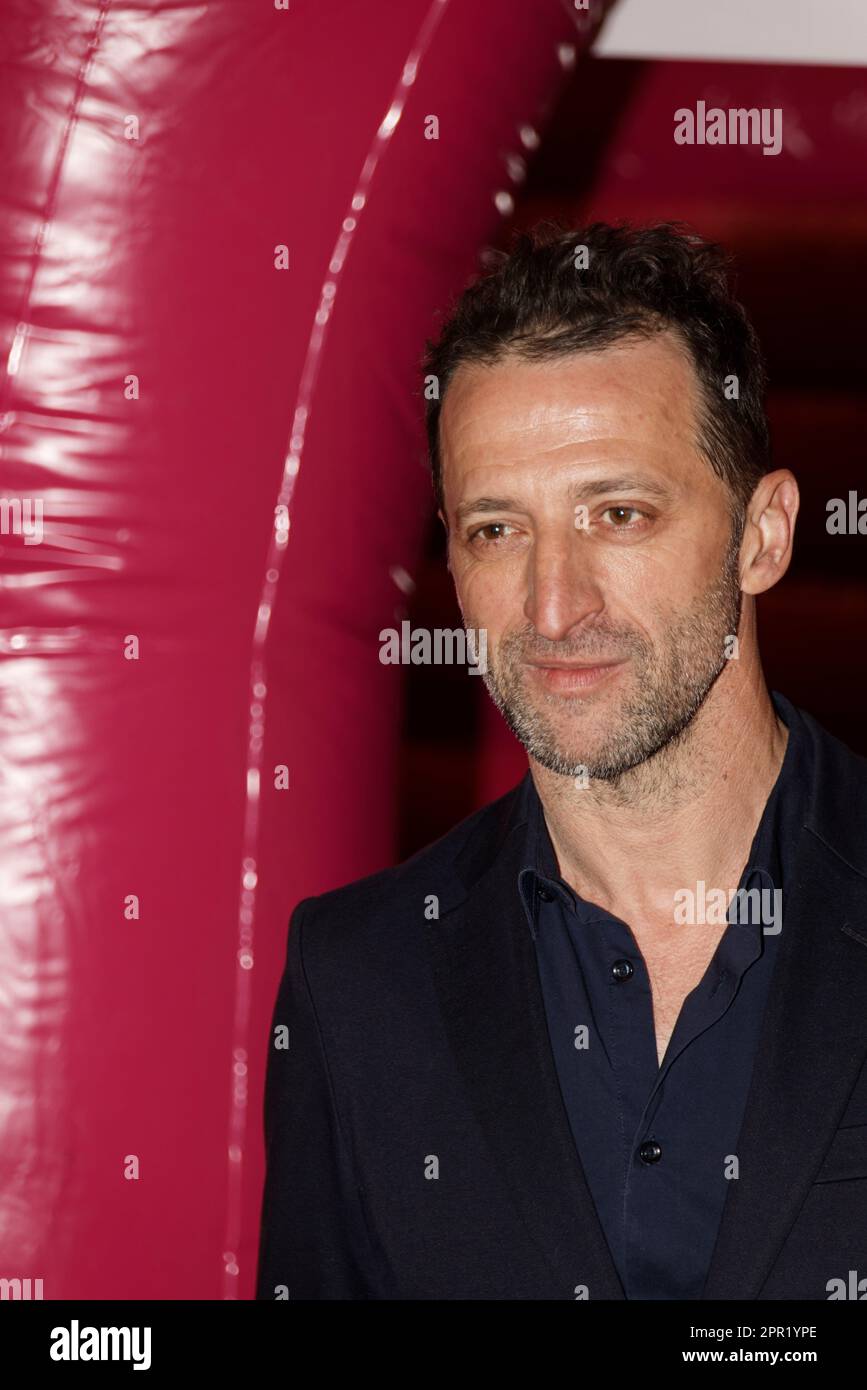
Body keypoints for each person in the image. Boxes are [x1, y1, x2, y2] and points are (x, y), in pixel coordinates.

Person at [256, 222, 867, 1301]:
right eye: (498, 530)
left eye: (617, 514)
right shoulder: (358, 981)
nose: (553, 606)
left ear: (762, 534)